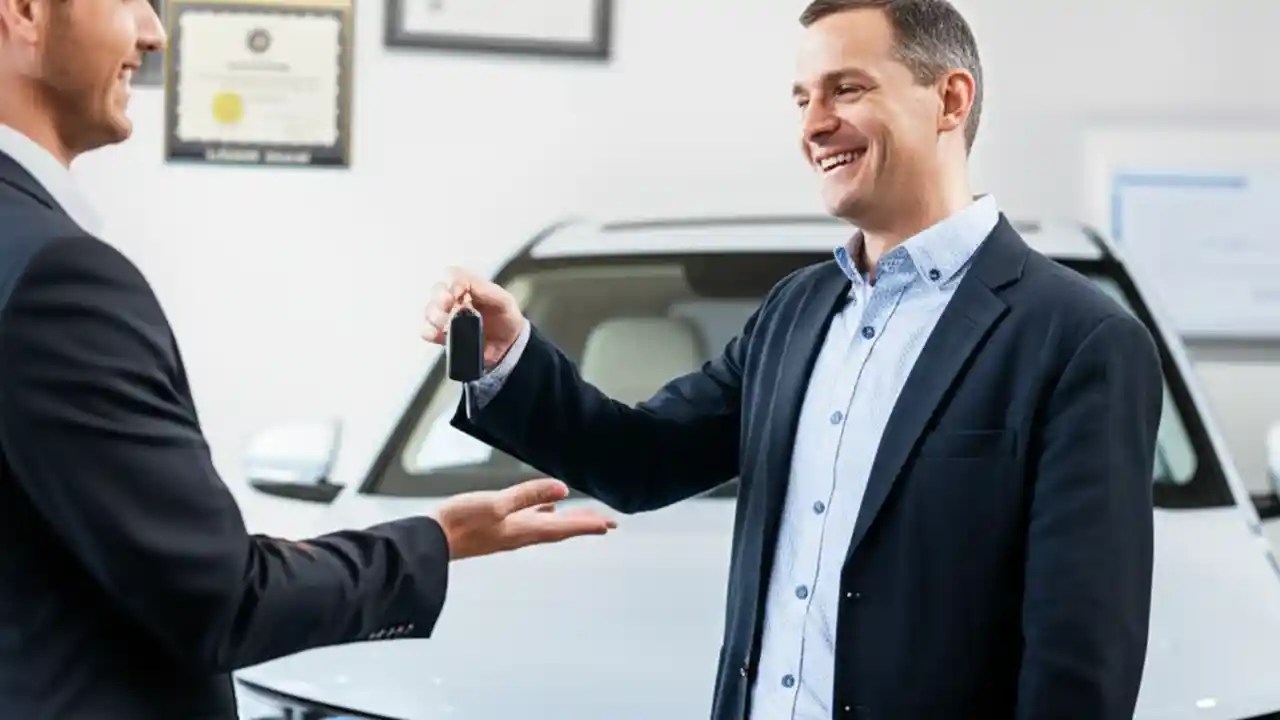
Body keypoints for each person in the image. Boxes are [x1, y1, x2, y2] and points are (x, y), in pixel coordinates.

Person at [426, 1, 1164, 718]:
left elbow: (1078, 667)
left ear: (950, 99)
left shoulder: (1081, 340)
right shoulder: (795, 312)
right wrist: (508, 359)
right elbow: (638, 459)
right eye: (803, 98)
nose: (815, 124)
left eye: (847, 88)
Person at [0, 1, 617, 718]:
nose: (154, 33)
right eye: (129, 0)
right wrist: (440, 539)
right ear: (25, 12)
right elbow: (221, 600)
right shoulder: (57, 274)